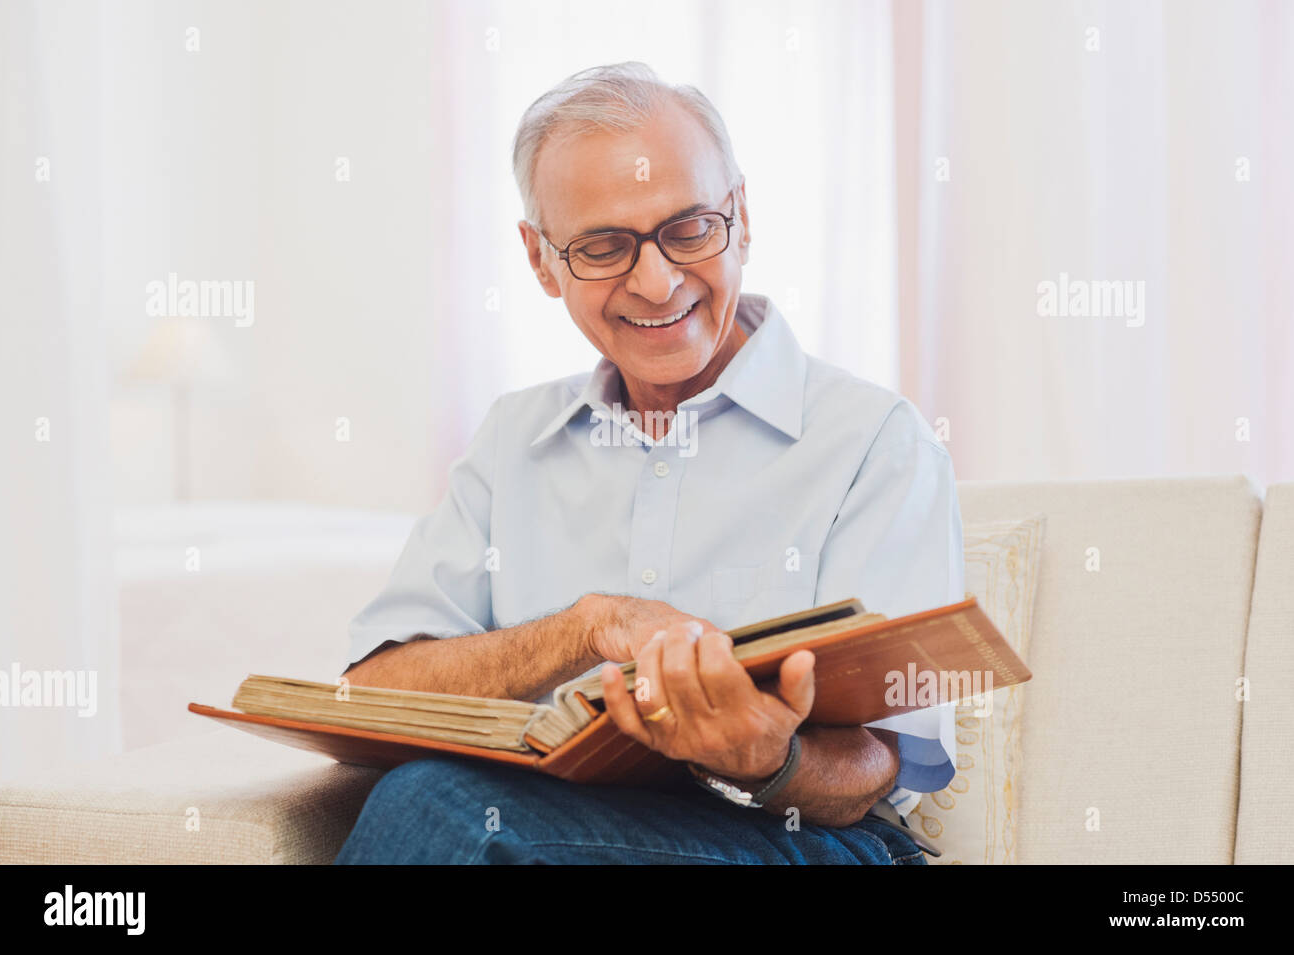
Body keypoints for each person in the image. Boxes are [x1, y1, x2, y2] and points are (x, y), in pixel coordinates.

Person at [335, 62, 962, 865]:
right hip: (560, 818)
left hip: (810, 837)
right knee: (435, 802)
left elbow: (876, 767)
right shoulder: (512, 439)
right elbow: (374, 694)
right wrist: (585, 629)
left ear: (739, 214)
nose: (658, 281)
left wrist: (770, 759)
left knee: (438, 812)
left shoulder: (876, 440)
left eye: (690, 228)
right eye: (603, 246)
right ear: (539, 259)